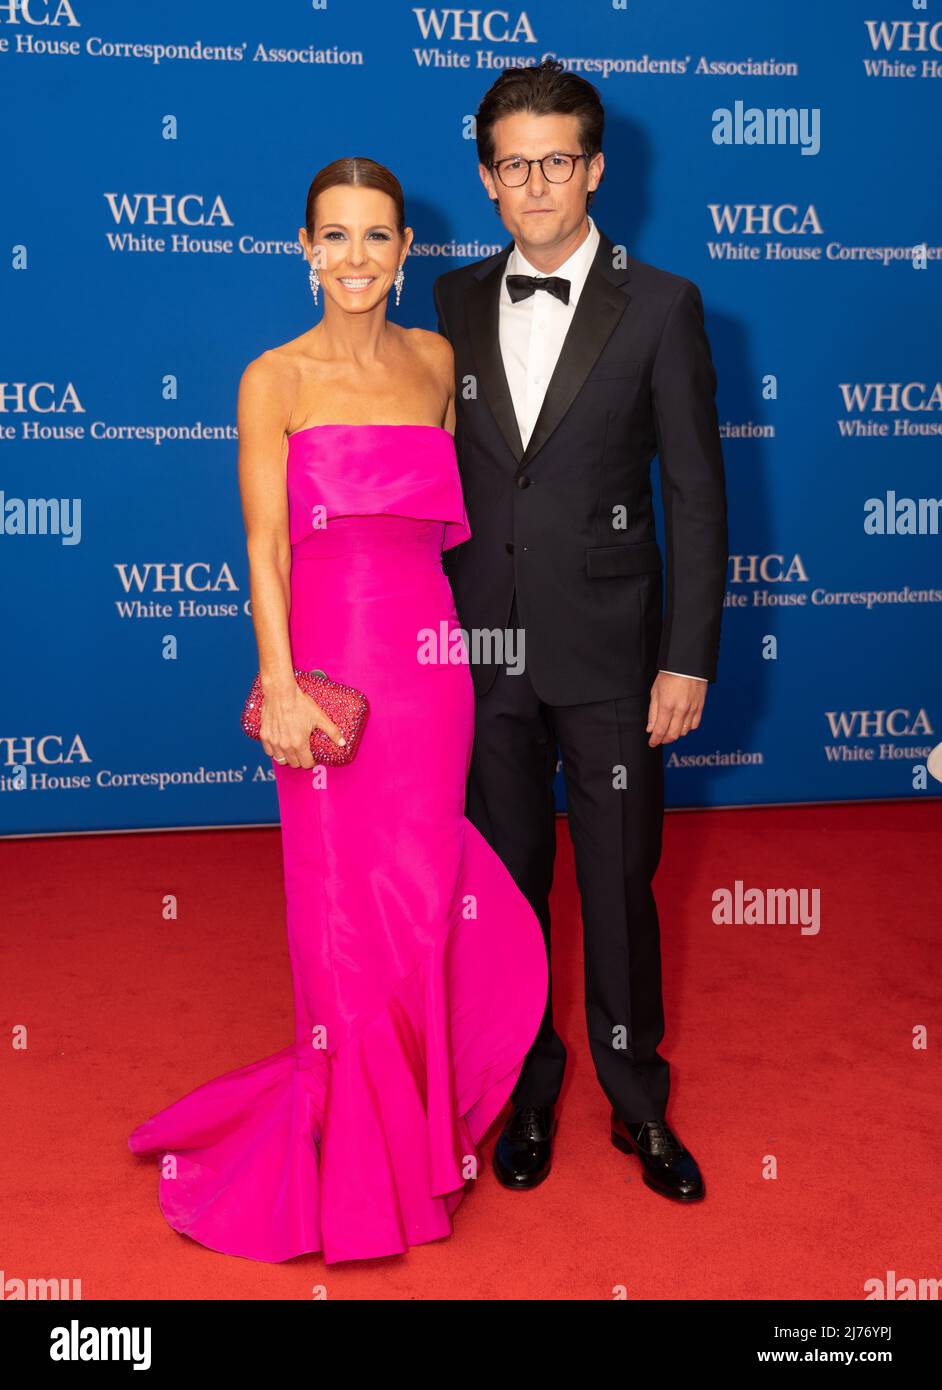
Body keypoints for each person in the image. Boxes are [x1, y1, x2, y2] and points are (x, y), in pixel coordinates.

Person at [127, 157, 548, 1264]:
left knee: (422, 904)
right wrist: (277, 686)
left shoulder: (436, 362)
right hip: (327, 674)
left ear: (407, 252)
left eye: (378, 237)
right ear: (304, 249)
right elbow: (264, 549)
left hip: (429, 669)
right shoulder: (275, 377)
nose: (356, 258)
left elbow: (448, 532)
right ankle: (357, 1160)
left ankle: (412, 1141)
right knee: (340, 923)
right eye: (336, 236)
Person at [433, 61, 728, 1200]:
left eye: (560, 160)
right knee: (504, 888)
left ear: (596, 169)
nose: (540, 182)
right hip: (482, 649)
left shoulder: (662, 304)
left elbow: (697, 495)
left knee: (617, 881)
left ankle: (637, 1100)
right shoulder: (451, 302)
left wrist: (687, 652)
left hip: (613, 650)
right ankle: (525, 1089)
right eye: (517, 164)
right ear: (489, 180)